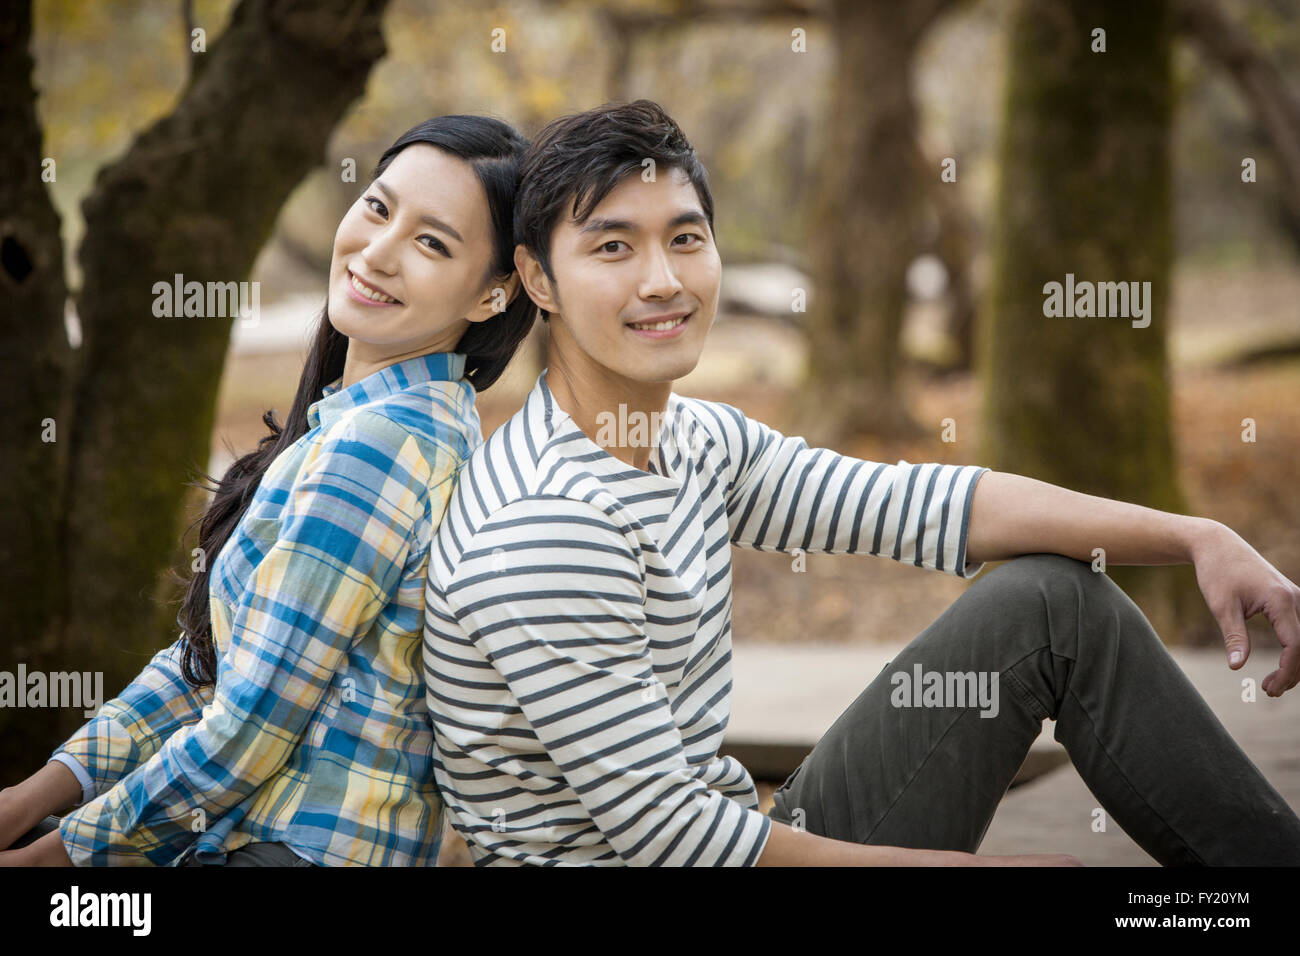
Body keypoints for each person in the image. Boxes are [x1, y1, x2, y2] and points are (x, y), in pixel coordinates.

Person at [421, 99, 1300, 866]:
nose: (664, 280)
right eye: (613, 246)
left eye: (685, 238)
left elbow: (929, 505)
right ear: (539, 277)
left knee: (1053, 604)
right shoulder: (547, 524)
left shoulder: (691, 441)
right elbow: (673, 842)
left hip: (723, 836)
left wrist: (1196, 537)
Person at [0, 114, 537, 867]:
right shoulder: (386, 422)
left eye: (431, 243)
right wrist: (32, 797)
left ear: (492, 296)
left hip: (293, 850)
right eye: (379, 208)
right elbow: (208, 668)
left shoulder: (379, 449)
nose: (377, 252)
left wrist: (49, 857)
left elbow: (248, 731)